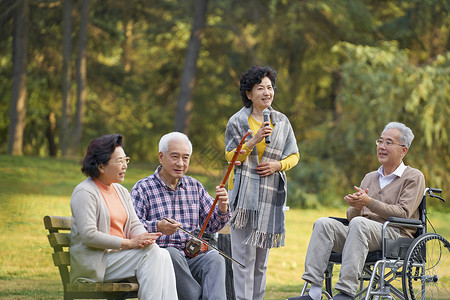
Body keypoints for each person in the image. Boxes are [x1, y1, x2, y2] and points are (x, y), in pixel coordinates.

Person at [288, 122, 425, 300]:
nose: (382, 147)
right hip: (361, 233)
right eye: (380, 142)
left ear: (403, 150)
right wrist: (357, 207)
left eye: (389, 143)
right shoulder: (370, 177)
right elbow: (352, 219)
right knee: (324, 224)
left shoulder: (413, 176)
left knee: (360, 224)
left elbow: (403, 213)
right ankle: (314, 292)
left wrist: (369, 202)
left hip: (395, 234)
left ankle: (346, 292)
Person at [70, 134, 178, 300]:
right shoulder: (85, 192)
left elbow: (134, 224)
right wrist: (129, 243)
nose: (125, 166)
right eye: (119, 161)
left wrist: (143, 237)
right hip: (97, 262)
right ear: (101, 167)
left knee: (162, 254)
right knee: (151, 255)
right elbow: (88, 235)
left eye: (125, 160)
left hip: (119, 258)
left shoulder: (121, 191)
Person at [225, 65, 300, 300]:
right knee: (242, 258)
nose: (267, 93)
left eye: (270, 88)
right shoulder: (237, 122)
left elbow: (294, 155)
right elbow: (231, 157)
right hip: (243, 197)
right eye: (261, 88)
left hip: (269, 196)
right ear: (249, 94)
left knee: (260, 261)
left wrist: (278, 165)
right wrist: (252, 141)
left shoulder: (282, 121)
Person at [130, 132, 231, 300]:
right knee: (171, 253)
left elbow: (213, 225)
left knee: (215, 259)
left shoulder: (195, 186)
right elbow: (132, 226)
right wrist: (158, 227)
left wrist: (222, 207)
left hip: (192, 254)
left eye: (186, 158)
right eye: (175, 157)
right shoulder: (143, 188)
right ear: (161, 157)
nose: (180, 163)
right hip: (160, 258)